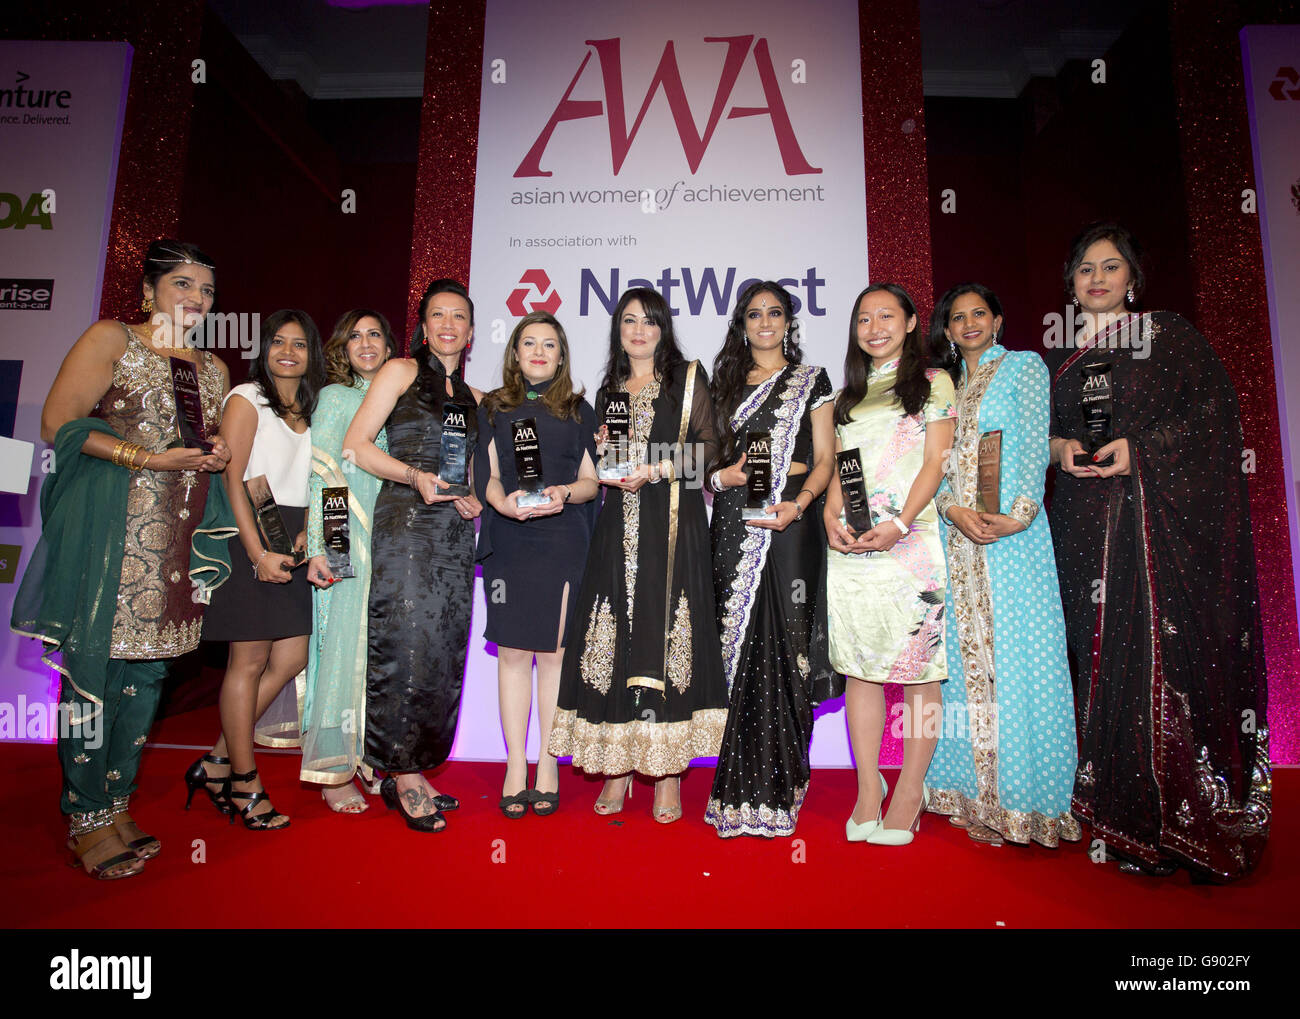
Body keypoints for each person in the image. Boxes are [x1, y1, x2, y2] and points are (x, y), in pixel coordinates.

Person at [1047, 222, 1269, 880]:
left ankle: (1180, 821)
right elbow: (1051, 438)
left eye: (1110, 267)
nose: (1097, 278)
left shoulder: (1165, 336)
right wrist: (1062, 452)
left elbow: (1212, 416)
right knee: (1098, 659)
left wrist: (1138, 453)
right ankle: (1122, 818)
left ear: (1133, 279)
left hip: (1153, 527)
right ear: (1071, 283)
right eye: (1086, 268)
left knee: (1154, 653)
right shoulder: (1062, 360)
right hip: (1084, 525)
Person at [13, 239, 234, 878]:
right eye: (184, 285)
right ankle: (83, 815)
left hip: (176, 541)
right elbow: (59, 423)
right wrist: (148, 458)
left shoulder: (210, 368)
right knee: (94, 676)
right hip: (111, 536)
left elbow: (197, 441)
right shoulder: (114, 339)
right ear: (150, 290)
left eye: (207, 291)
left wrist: (213, 453)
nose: (195, 300)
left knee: (149, 678)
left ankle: (114, 800)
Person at [548, 287, 727, 823]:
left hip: (672, 528)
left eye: (649, 321)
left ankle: (668, 773)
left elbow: (712, 455)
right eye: (629, 321)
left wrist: (656, 467)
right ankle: (619, 768)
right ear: (617, 330)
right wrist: (607, 451)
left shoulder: (689, 377)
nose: (639, 330)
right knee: (616, 637)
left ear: (663, 327)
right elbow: (604, 465)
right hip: (616, 527)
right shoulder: (609, 391)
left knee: (664, 637)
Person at [923, 283, 1080, 848]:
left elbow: (1035, 443)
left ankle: (1025, 800)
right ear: (944, 330)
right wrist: (950, 508)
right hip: (955, 537)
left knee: (1020, 658)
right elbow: (933, 466)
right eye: (957, 317)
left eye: (978, 314)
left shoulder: (1023, 368)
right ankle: (969, 793)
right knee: (964, 663)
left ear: (998, 320)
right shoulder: (941, 387)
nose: (967, 324)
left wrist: (1017, 514)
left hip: (1014, 539)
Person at [344, 279, 483, 833]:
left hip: (452, 532)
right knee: (404, 642)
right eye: (437, 316)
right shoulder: (401, 371)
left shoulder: (470, 396)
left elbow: (462, 470)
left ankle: (417, 766)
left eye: (459, 317)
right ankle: (398, 773)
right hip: (406, 521)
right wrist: (414, 476)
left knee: (442, 648)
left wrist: (467, 494)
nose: (448, 325)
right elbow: (357, 444)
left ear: (471, 333)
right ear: (424, 327)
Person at [702, 281, 838, 838]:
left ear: (789, 321)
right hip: (735, 525)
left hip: (790, 528)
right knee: (738, 646)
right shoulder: (724, 384)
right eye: (754, 314)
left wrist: (800, 501)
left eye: (774, 313)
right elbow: (703, 461)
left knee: (787, 644)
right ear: (742, 323)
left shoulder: (813, 380)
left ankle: (782, 782)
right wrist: (720, 476)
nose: (764, 322)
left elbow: (826, 458)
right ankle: (739, 790)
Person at [825, 282, 956, 846]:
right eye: (863, 319)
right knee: (860, 667)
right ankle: (867, 788)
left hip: (911, 543)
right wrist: (832, 519)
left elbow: (936, 461)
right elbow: (837, 469)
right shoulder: (846, 396)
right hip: (854, 549)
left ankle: (910, 789)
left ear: (909, 323)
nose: (874, 326)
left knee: (920, 671)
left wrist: (900, 524)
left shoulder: (934, 383)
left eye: (886, 316)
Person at [196, 310, 324, 830]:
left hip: (293, 533)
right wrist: (255, 553)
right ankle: (244, 783)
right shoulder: (247, 398)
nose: (288, 352)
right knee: (246, 662)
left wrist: (307, 532)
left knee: (291, 656)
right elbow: (231, 481)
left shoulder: (315, 409)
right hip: (247, 530)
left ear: (312, 353)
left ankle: (216, 759)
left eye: (299, 343)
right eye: (278, 342)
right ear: (264, 348)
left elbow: (319, 478)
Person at [476, 312, 599, 818]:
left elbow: (594, 482)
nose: (539, 352)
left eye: (550, 344)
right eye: (530, 342)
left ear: (562, 354)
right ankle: (514, 765)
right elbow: (485, 475)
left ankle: (548, 762)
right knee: (511, 654)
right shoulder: (491, 407)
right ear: (515, 351)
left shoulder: (578, 409)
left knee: (552, 655)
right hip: (509, 536)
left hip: (563, 539)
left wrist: (565, 492)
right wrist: (502, 503)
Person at [301, 310, 398, 812]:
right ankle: (333, 770)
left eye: (374, 335)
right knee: (340, 647)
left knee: (372, 653)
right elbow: (325, 476)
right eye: (355, 336)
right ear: (342, 348)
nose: (365, 344)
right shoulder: (338, 399)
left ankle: (363, 755)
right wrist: (327, 549)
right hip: (349, 541)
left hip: (389, 545)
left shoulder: (393, 402)